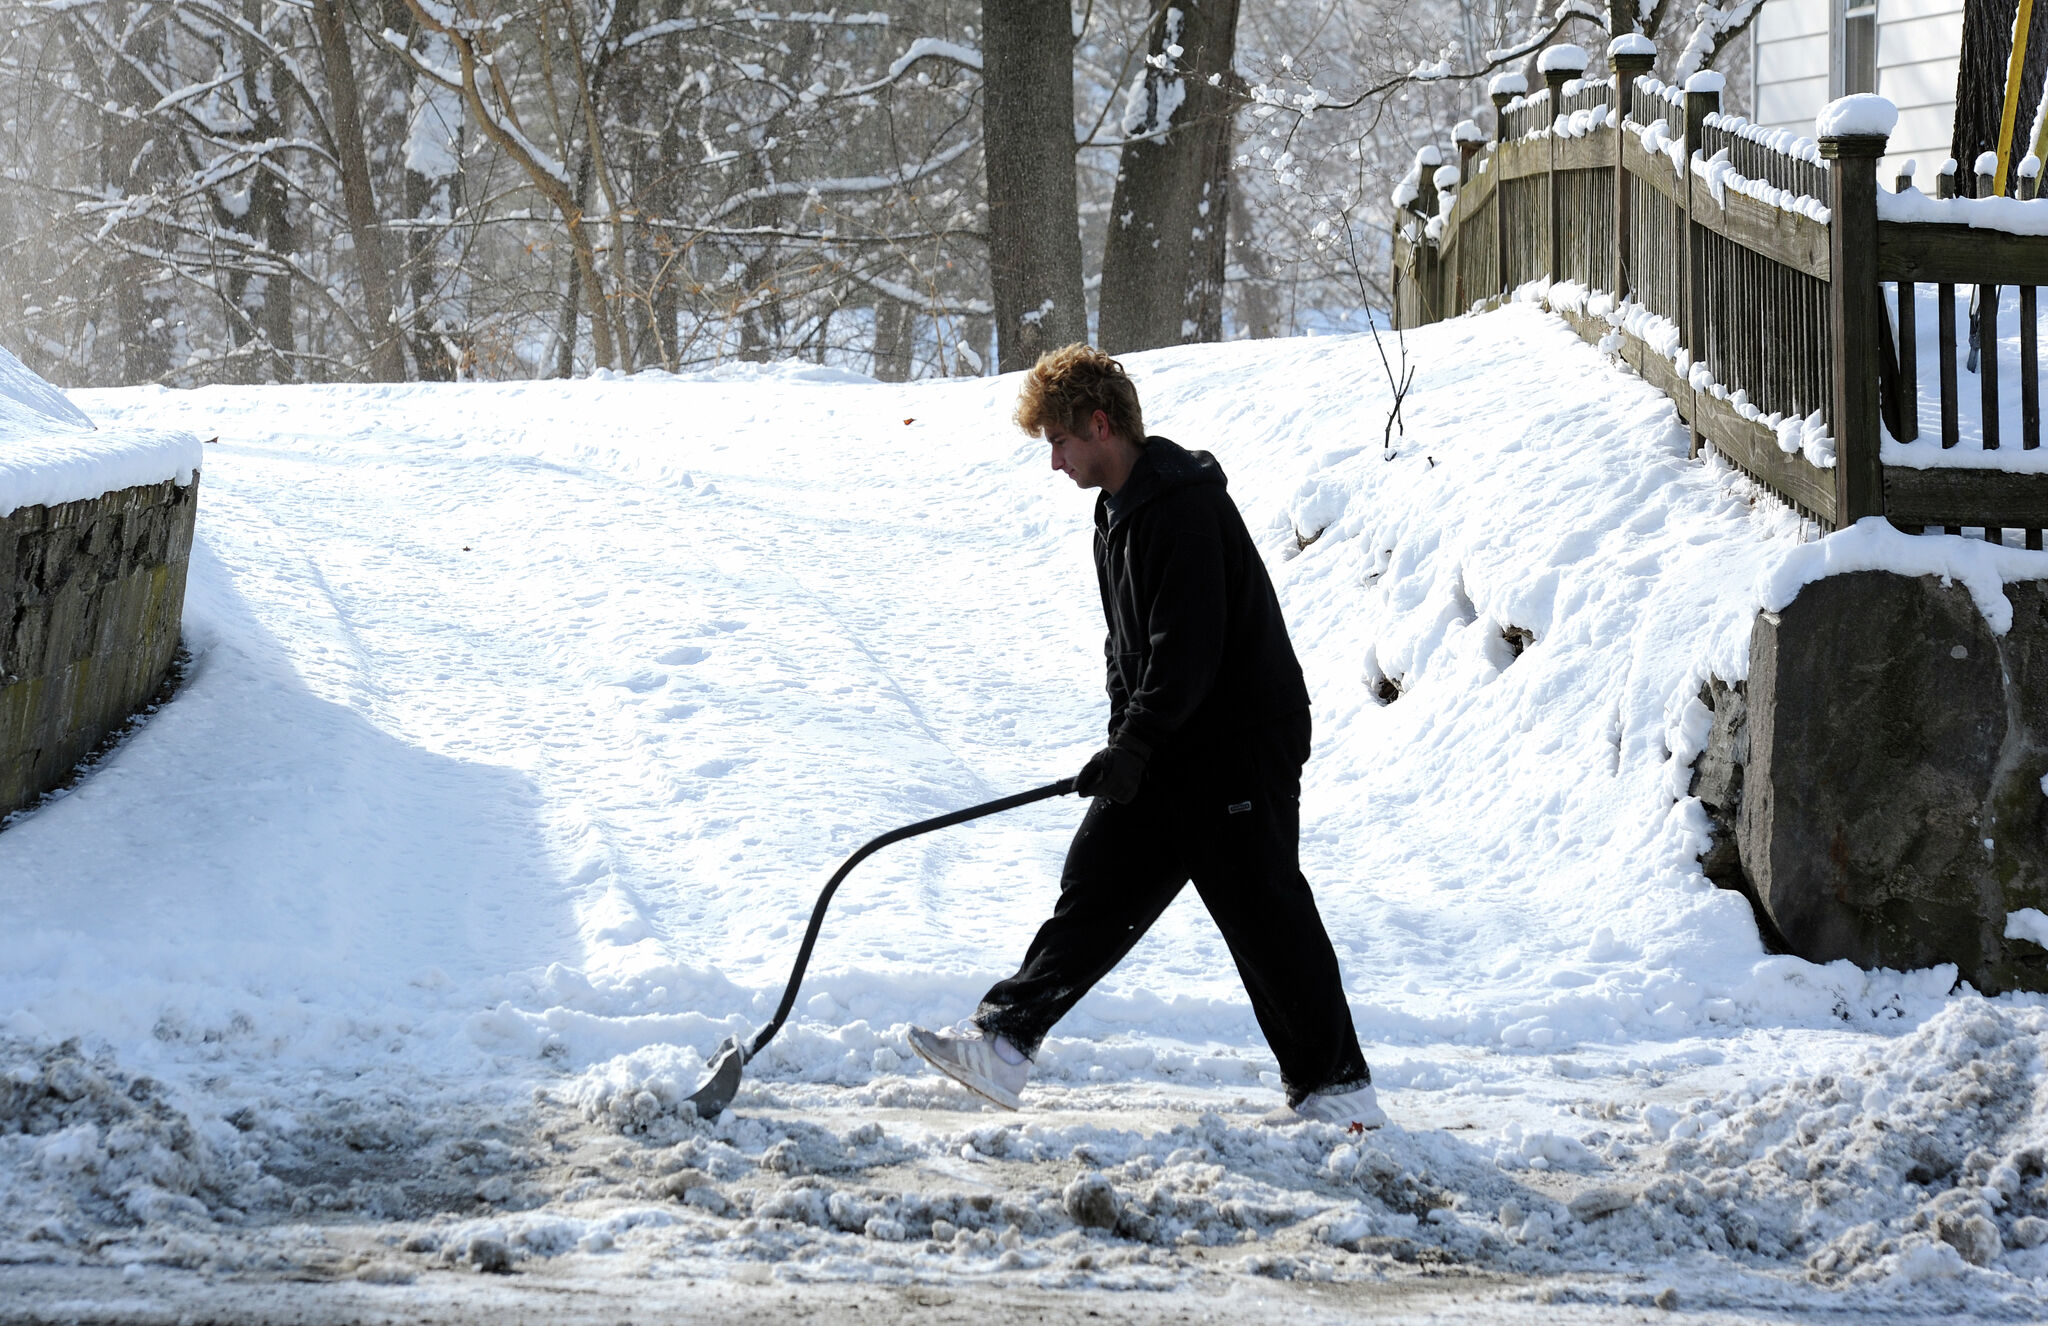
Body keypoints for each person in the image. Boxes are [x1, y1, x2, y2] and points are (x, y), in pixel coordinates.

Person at [907, 345, 1384, 1129]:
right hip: (1175, 742)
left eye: (1060, 441)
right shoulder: (1117, 512)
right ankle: (1005, 1041)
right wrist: (1121, 740)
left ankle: (1339, 1093)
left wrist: (1136, 743)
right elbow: (1127, 649)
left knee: (1263, 912)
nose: (1055, 461)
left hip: (1236, 744)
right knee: (1097, 874)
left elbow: (1187, 650)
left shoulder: (1182, 508)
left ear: (1101, 425)